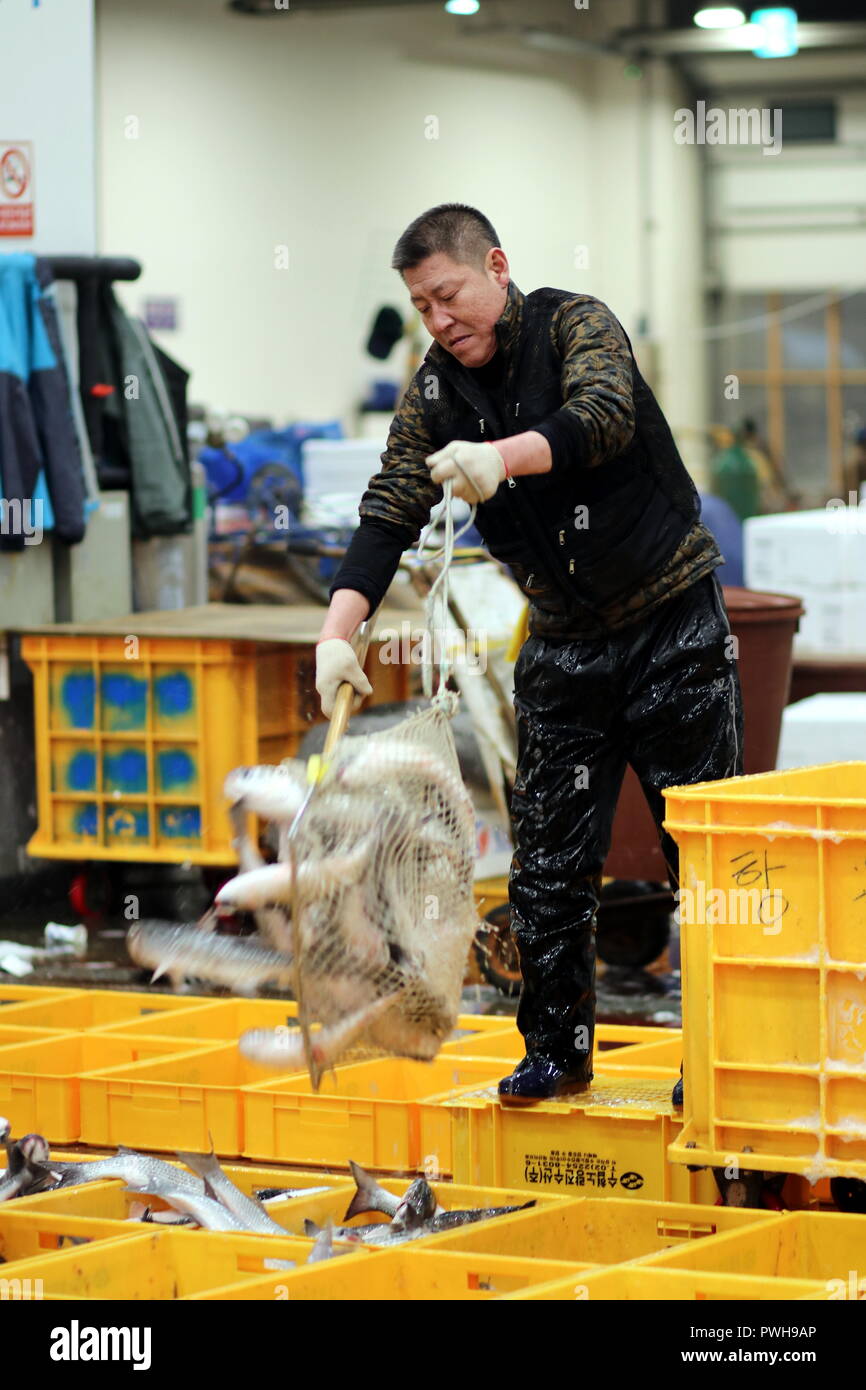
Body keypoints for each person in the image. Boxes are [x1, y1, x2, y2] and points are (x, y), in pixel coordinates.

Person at [315, 203, 743, 1105]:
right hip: (564, 642)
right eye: (422, 308)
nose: (439, 321)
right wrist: (336, 632)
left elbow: (604, 415)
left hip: (672, 622)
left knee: (701, 861)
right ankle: (558, 1052)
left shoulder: (575, 323)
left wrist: (503, 457)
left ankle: (718, 1059)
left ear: (496, 268)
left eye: (449, 295)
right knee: (546, 863)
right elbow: (390, 503)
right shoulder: (435, 390)